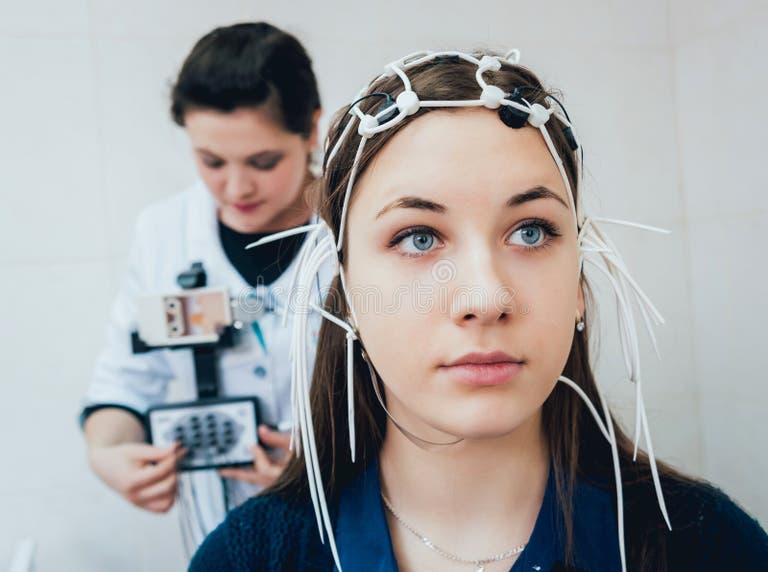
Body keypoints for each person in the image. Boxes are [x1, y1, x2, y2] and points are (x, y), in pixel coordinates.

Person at [189, 49, 768, 571]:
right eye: (418, 237)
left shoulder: (708, 547)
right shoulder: (248, 560)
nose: (485, 299)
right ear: (348, 293)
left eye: (532, 232)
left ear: (578, 289)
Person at [80, 21, 328, 556]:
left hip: (350, 521)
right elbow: (124, 381)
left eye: (263, 162)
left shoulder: (359, 230)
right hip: (219, 536)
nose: (235, 188)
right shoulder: (163, 234)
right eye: (212, 162)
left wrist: (331, 459)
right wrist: (108, 452)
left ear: (311, 130)